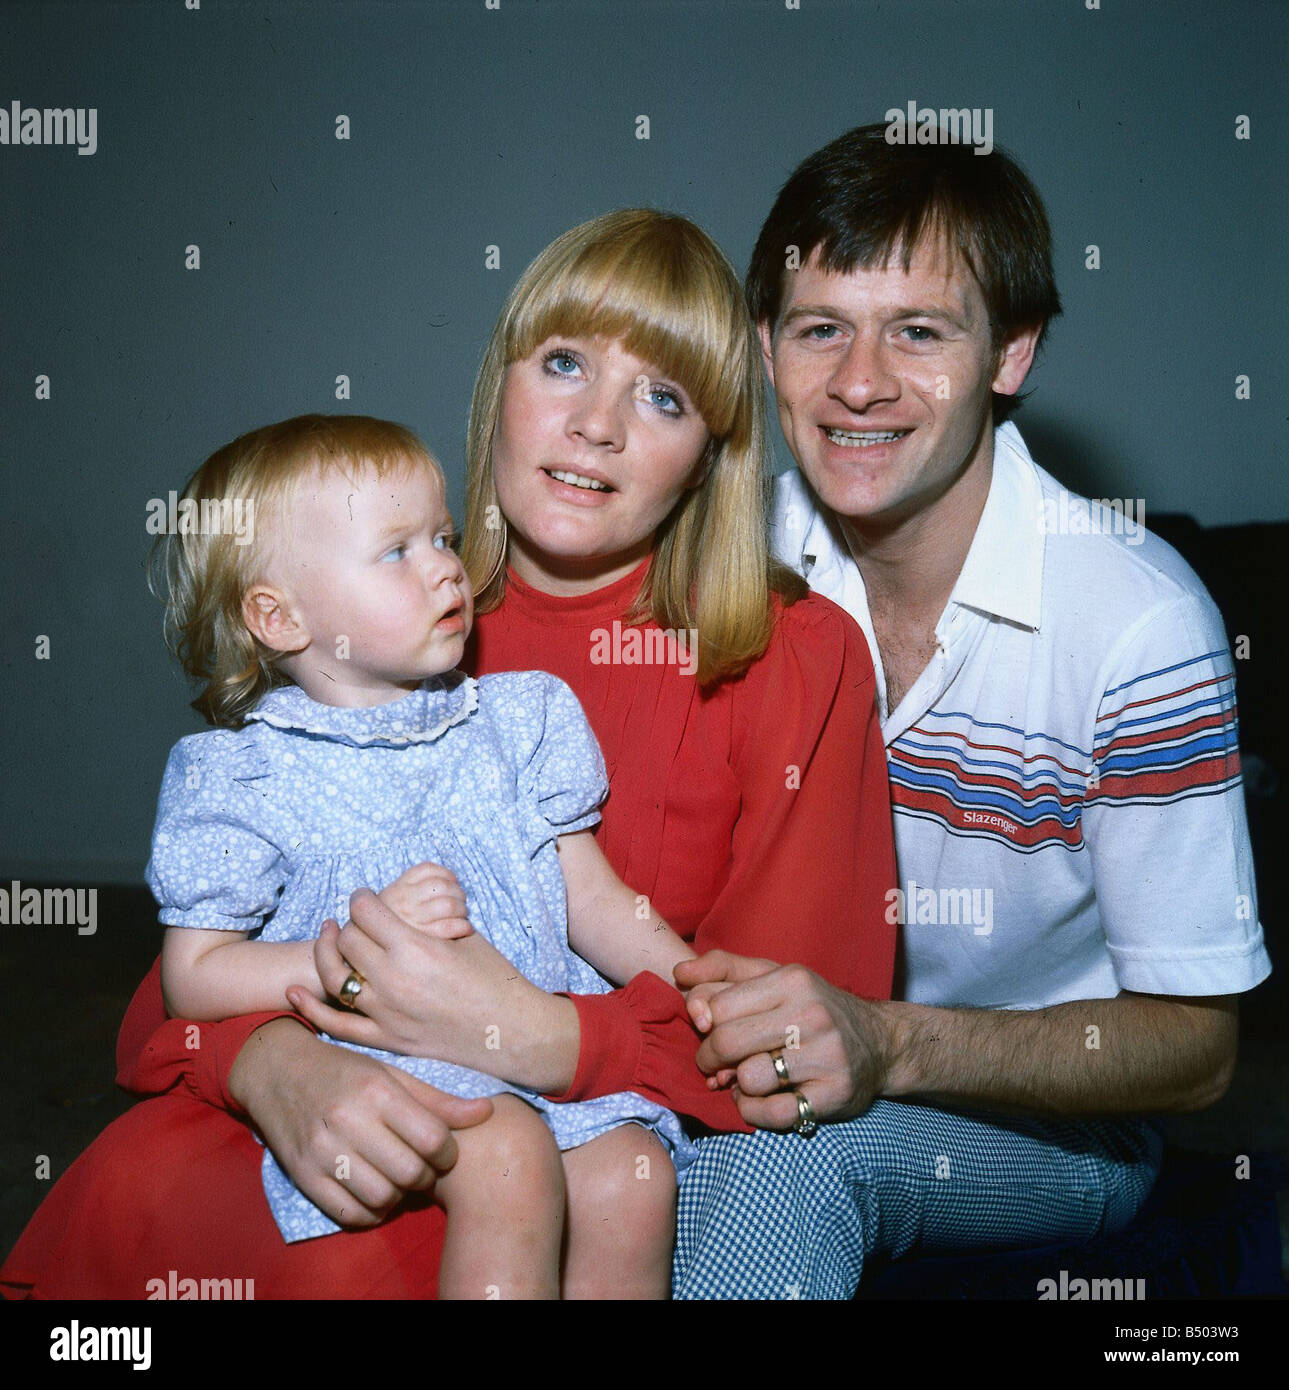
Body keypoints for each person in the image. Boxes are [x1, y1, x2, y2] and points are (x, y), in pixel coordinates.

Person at [0, 210, 896, 1300]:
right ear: (500, 380)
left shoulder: (794, 659)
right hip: (341, 1088)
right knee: (140, 1190)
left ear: (711, 449)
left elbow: (791, 1047)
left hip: (594, 1134)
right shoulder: (388, 632)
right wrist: (273, 1064)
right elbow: (179, 989)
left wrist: (541, 1035)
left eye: (661, 397)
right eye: (563, 362)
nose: (595, 426)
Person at [668, 124, 1272, 1297]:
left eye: (918, 332)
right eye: (818, 328)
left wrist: (887, 1045)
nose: (857, 382)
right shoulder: (717, 561)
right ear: (762, 347)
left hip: (1049, 1125)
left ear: (1010, 351)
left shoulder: (1139, 625)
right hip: (750, 1055)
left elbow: (1196, 1050)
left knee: (774, 1162)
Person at [146, 412, 698, 1298]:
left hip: (532, 1043)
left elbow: (589, 896)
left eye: (441, 536)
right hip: (378, 1062)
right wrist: (342, 953)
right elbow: (195, 978)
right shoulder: (243, 776)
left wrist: (691, 983)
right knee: (504, 1152)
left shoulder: (517, 723)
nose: (447, 564)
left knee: (631, 1175)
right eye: (395, 550)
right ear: (280, 617)